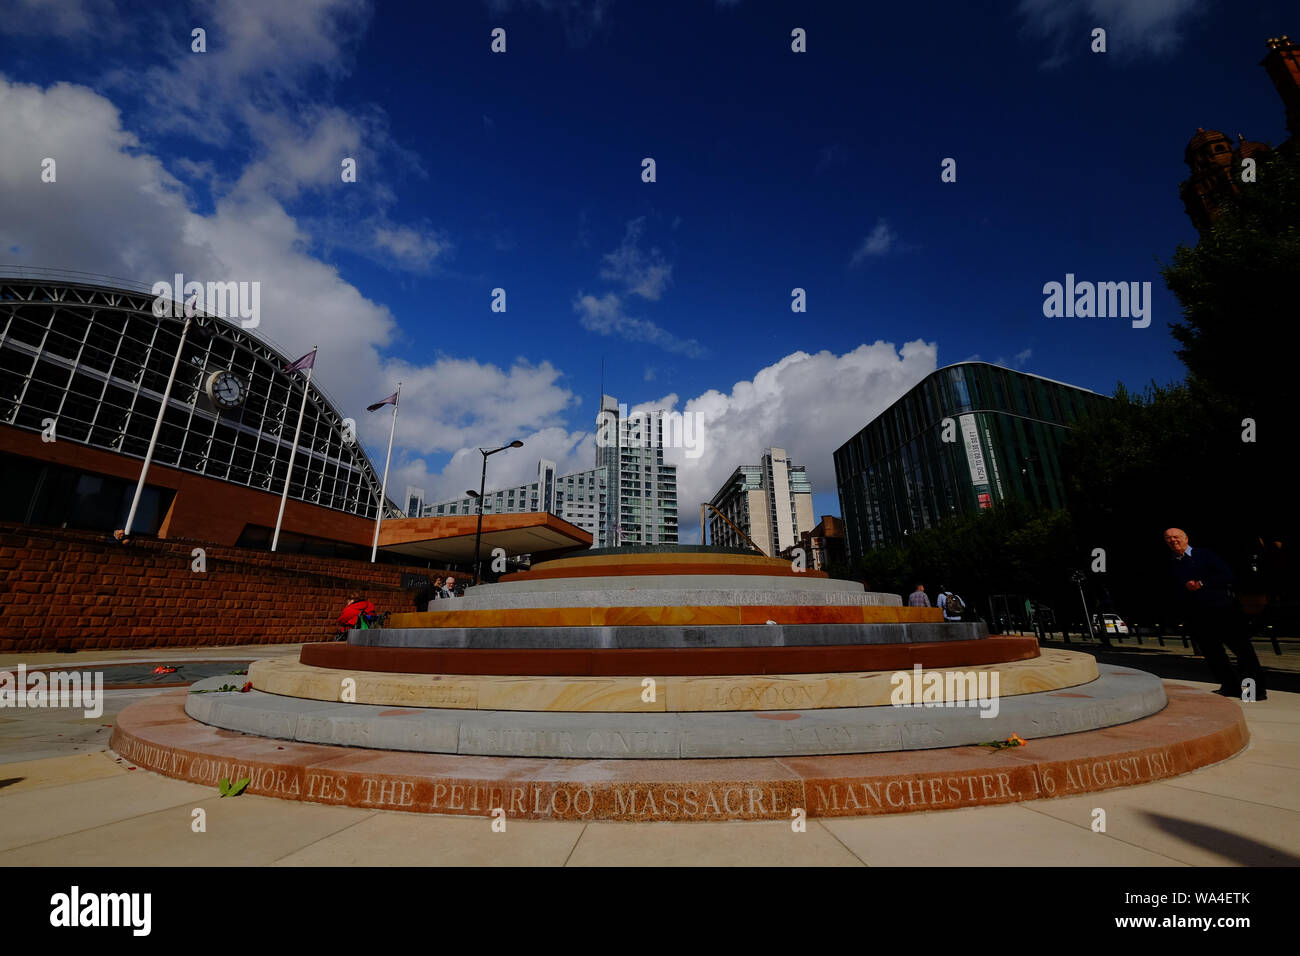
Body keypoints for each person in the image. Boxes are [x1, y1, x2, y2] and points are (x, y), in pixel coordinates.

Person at [1164, 527, 1267, 701]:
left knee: (1242, 652)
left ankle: (1255, 691)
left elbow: (1227, 576)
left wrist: (1202, 583)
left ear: (1186, 538)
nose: (1173, 540)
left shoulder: (1205, 555)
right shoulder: (1172, 562)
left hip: (1223, 611)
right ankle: (1230, 686)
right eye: (1168, 538)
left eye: (1176, 537)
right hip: (1197, 616)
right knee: (1214, 655)